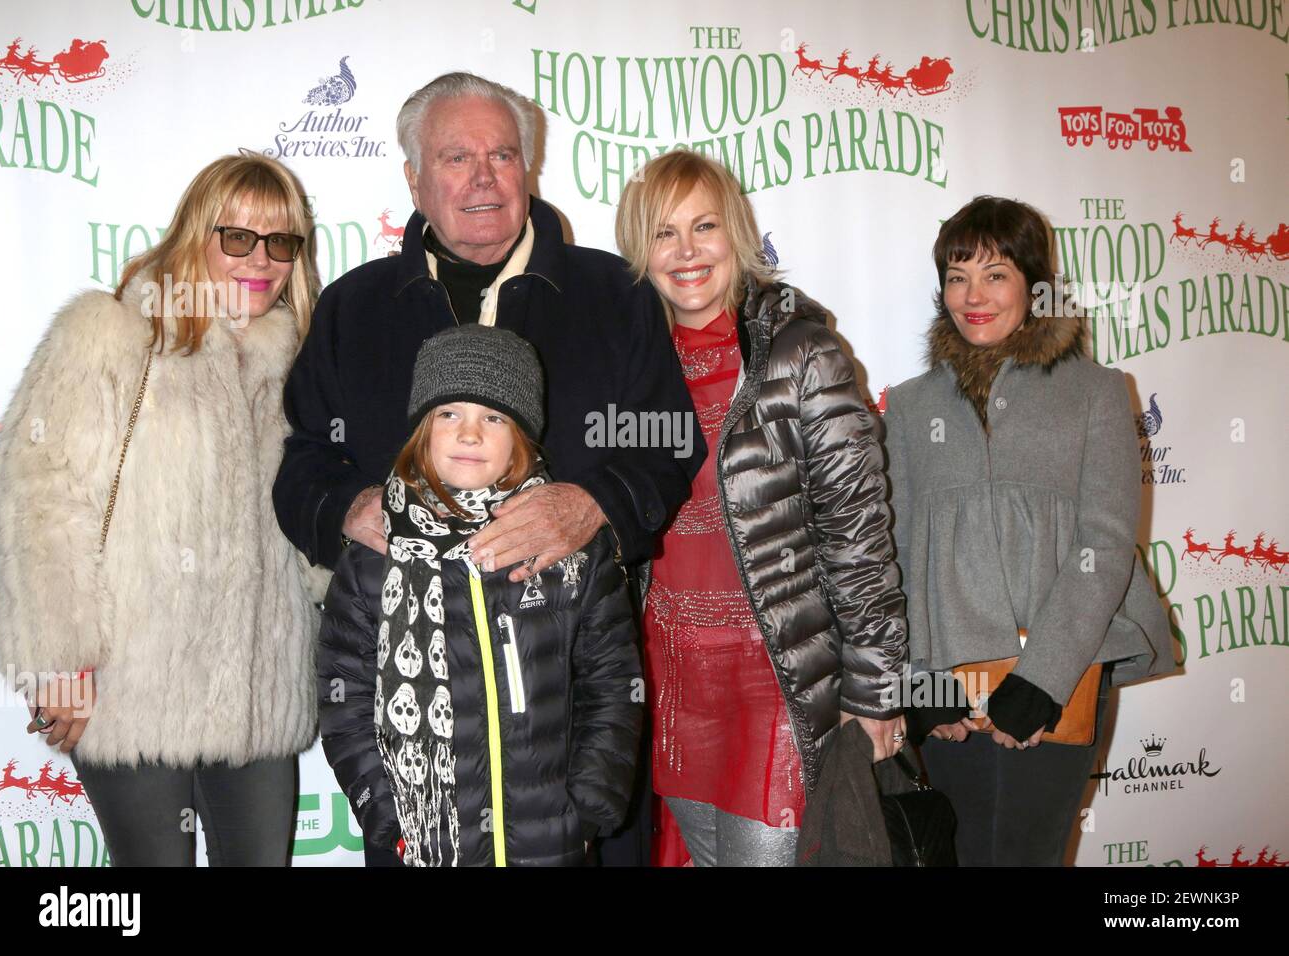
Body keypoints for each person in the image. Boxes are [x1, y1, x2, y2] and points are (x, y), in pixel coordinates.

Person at [274, 71, 701, 864]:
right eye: (456, 157)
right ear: (412, 177)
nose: (482, 177)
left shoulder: (615, 293)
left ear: (529, 168)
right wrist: (344, 510)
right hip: (420, 752)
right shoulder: (352, 308)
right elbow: (301, 461)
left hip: (566, 723)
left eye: (502, 155)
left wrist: (595, 504)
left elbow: (670, 441)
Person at [0, 154, 324, 866]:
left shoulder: (296, 365)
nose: (260, 260)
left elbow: (307, 530)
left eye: (280, 242)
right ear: (194, 235)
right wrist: (59, 663)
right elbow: (42, 498)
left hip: (256, 693)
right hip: (130, 686)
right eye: (237, 237)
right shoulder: (111, 336)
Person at [613, 149, 908, 866]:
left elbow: (859, 536)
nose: (686, 252)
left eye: (704, 226)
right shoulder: (627, 364)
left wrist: (876, 694)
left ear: (737, 233)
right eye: (663, 233)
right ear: (638, 250)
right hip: (670, 687)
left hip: (779, 687)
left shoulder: (802, 353)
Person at [883, 195, 1176, 866]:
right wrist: (921, 678)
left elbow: (1103, 543)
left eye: (995, 274)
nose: (972, 295)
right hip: (947, 690)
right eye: (957, 276)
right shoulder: (910, 403)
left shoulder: (1096, 391)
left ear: (1034, 285)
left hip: (1060, 675)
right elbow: (895, 553)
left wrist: (1042, 679)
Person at [317, 324, 642, 866]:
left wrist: (588, 808)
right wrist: (388, 817)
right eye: (449, 415)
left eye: (493, 417)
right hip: (421, 846)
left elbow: (612, 685)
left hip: (549, 844)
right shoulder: (374, 557)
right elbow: (344, 700)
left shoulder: (568, 553)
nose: (470, 434)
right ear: (421, 431)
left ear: (522, 438)